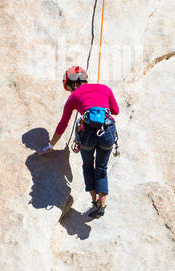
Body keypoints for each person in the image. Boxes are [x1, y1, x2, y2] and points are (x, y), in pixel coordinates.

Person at [41, 66, 120, 218]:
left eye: (69, 88)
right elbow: (115, 111)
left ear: (72, 84)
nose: (70, 92)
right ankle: (103, 205)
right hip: (107, 131)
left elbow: (63, 124)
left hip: (88, 134)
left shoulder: (73, 97)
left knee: (88, 166)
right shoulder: (105, 88)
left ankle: (95, 201)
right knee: (101, 168)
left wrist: (50, 146)